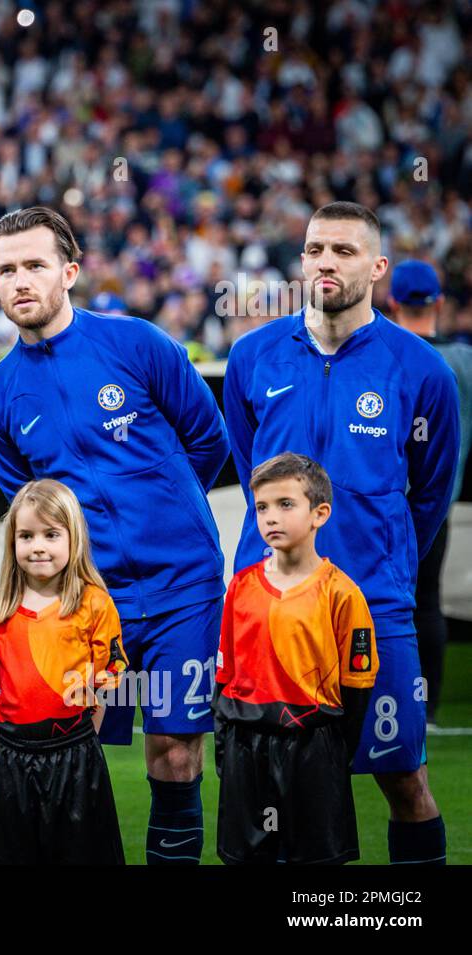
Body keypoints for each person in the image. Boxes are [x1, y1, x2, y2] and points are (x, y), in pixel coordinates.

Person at [0, 206, 230, 865]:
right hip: (91, 602)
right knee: (72, 748)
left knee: (175, 749)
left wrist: (164, 519)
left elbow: (208, 440)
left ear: (70, 270)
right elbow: (29, 506)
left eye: (34, 264)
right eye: (6, 269)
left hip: (182, 589)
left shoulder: (138, 344)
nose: (20, 279)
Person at [224, 201, 458, 865]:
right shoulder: (252, 357)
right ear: (301, 259)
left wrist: (379, 555)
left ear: (378, 266)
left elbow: (432, 489)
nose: (327, 261)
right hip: (267, 609)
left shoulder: (421, 370)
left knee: (404, 776)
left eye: (345, 251)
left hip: (372, 606)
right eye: (316, 249)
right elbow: (253, 474)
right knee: (268, 780)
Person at [213, 453, 376, 864]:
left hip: (312, 747)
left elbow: (357, 689)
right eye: (262, 507)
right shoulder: (240, 587)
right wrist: (224, 746)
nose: (271, 517)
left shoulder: (342, 593)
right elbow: (225, 673)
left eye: (286, 505)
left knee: (315, 857)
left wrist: (334, 755)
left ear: (320, 513)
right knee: (247, 856)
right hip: (245, 746)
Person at [0, 479, 126, 865]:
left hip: (75, 759)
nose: (38, 546)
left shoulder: (94, 604)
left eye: (51, 534)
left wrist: (78, 744)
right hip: (10, 761)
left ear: (73, 538)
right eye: (26, 535)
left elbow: (106, 680)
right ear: (12, 543)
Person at [387, 259, 472, 723]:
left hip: (382, 501)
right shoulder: (464, 360)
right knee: (428, 602)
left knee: (370, 598)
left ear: (392, 302)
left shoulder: (387, 355)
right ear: (439, 302)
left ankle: (367, 701)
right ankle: (428, 708)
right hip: (440, 501)